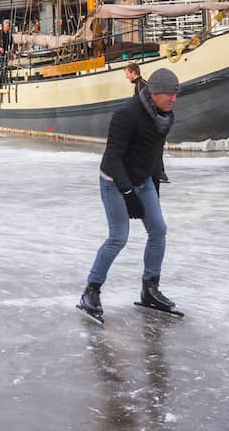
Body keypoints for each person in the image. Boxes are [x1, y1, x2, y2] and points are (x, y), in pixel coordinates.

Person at [78, 68, 181, 322]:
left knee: (158, 230)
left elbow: (154, 153)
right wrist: (127, 192)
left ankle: (150, 288)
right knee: (118, 237)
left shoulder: (165, 116)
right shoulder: (127, 114)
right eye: (169, 94)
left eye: (176, 94)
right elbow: (113, 157)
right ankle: (91, 291)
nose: (173, 99)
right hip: (114, 180)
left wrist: (153, 184)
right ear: (154, 92)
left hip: (143, 180)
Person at [0, 19, 14, 84]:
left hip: (6, 53)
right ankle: (6, 80)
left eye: (8, 26)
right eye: (7, 26)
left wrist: (13, 52)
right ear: (4, 26)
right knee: (3, 66)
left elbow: (12, 43)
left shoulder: (9, 34)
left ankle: (0, 80)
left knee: (5, 66)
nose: (8, 27)